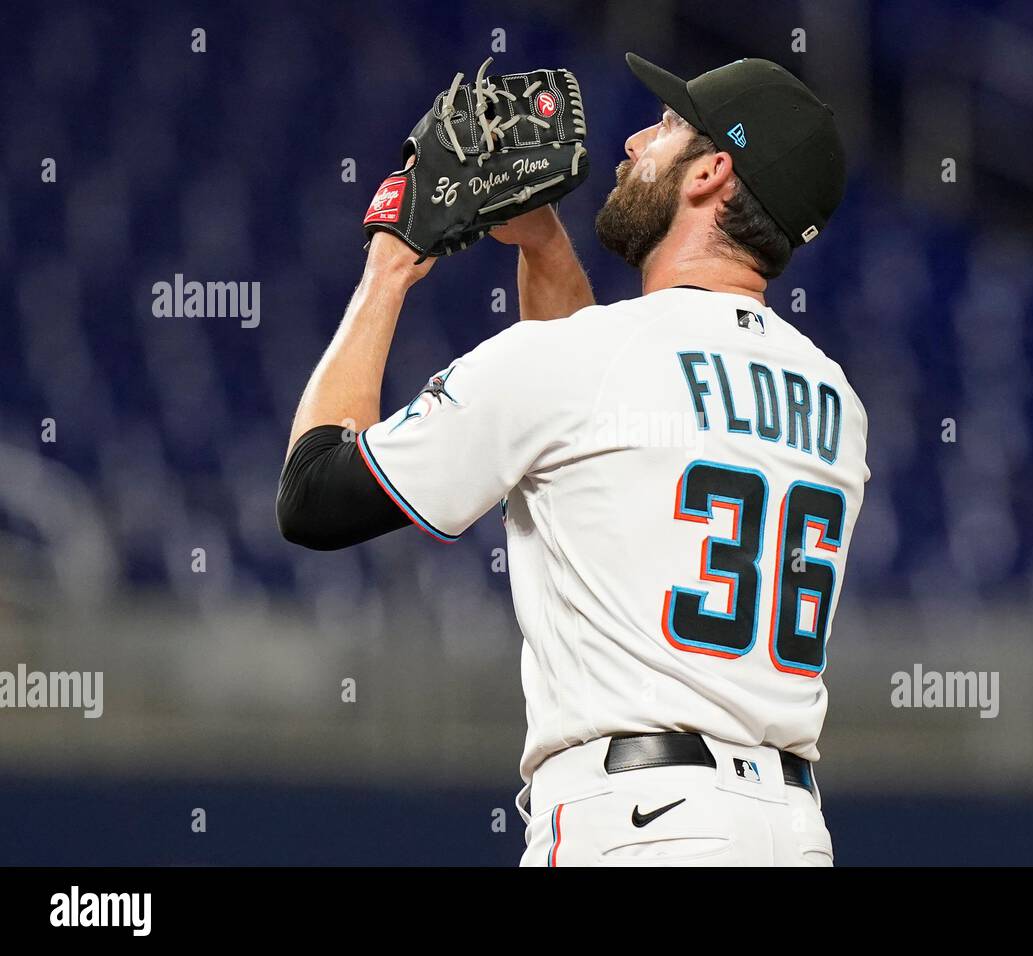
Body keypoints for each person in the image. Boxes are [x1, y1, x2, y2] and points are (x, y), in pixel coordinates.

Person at [277, 53, 869, 866]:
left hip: (635, 823)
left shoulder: (584, 362)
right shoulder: (836, 401)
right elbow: (600, 435)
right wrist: (544, 244)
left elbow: (314, 496)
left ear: (712, 173)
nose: (633, 141)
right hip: (791, 830)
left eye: (666, 128)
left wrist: (389, 263)